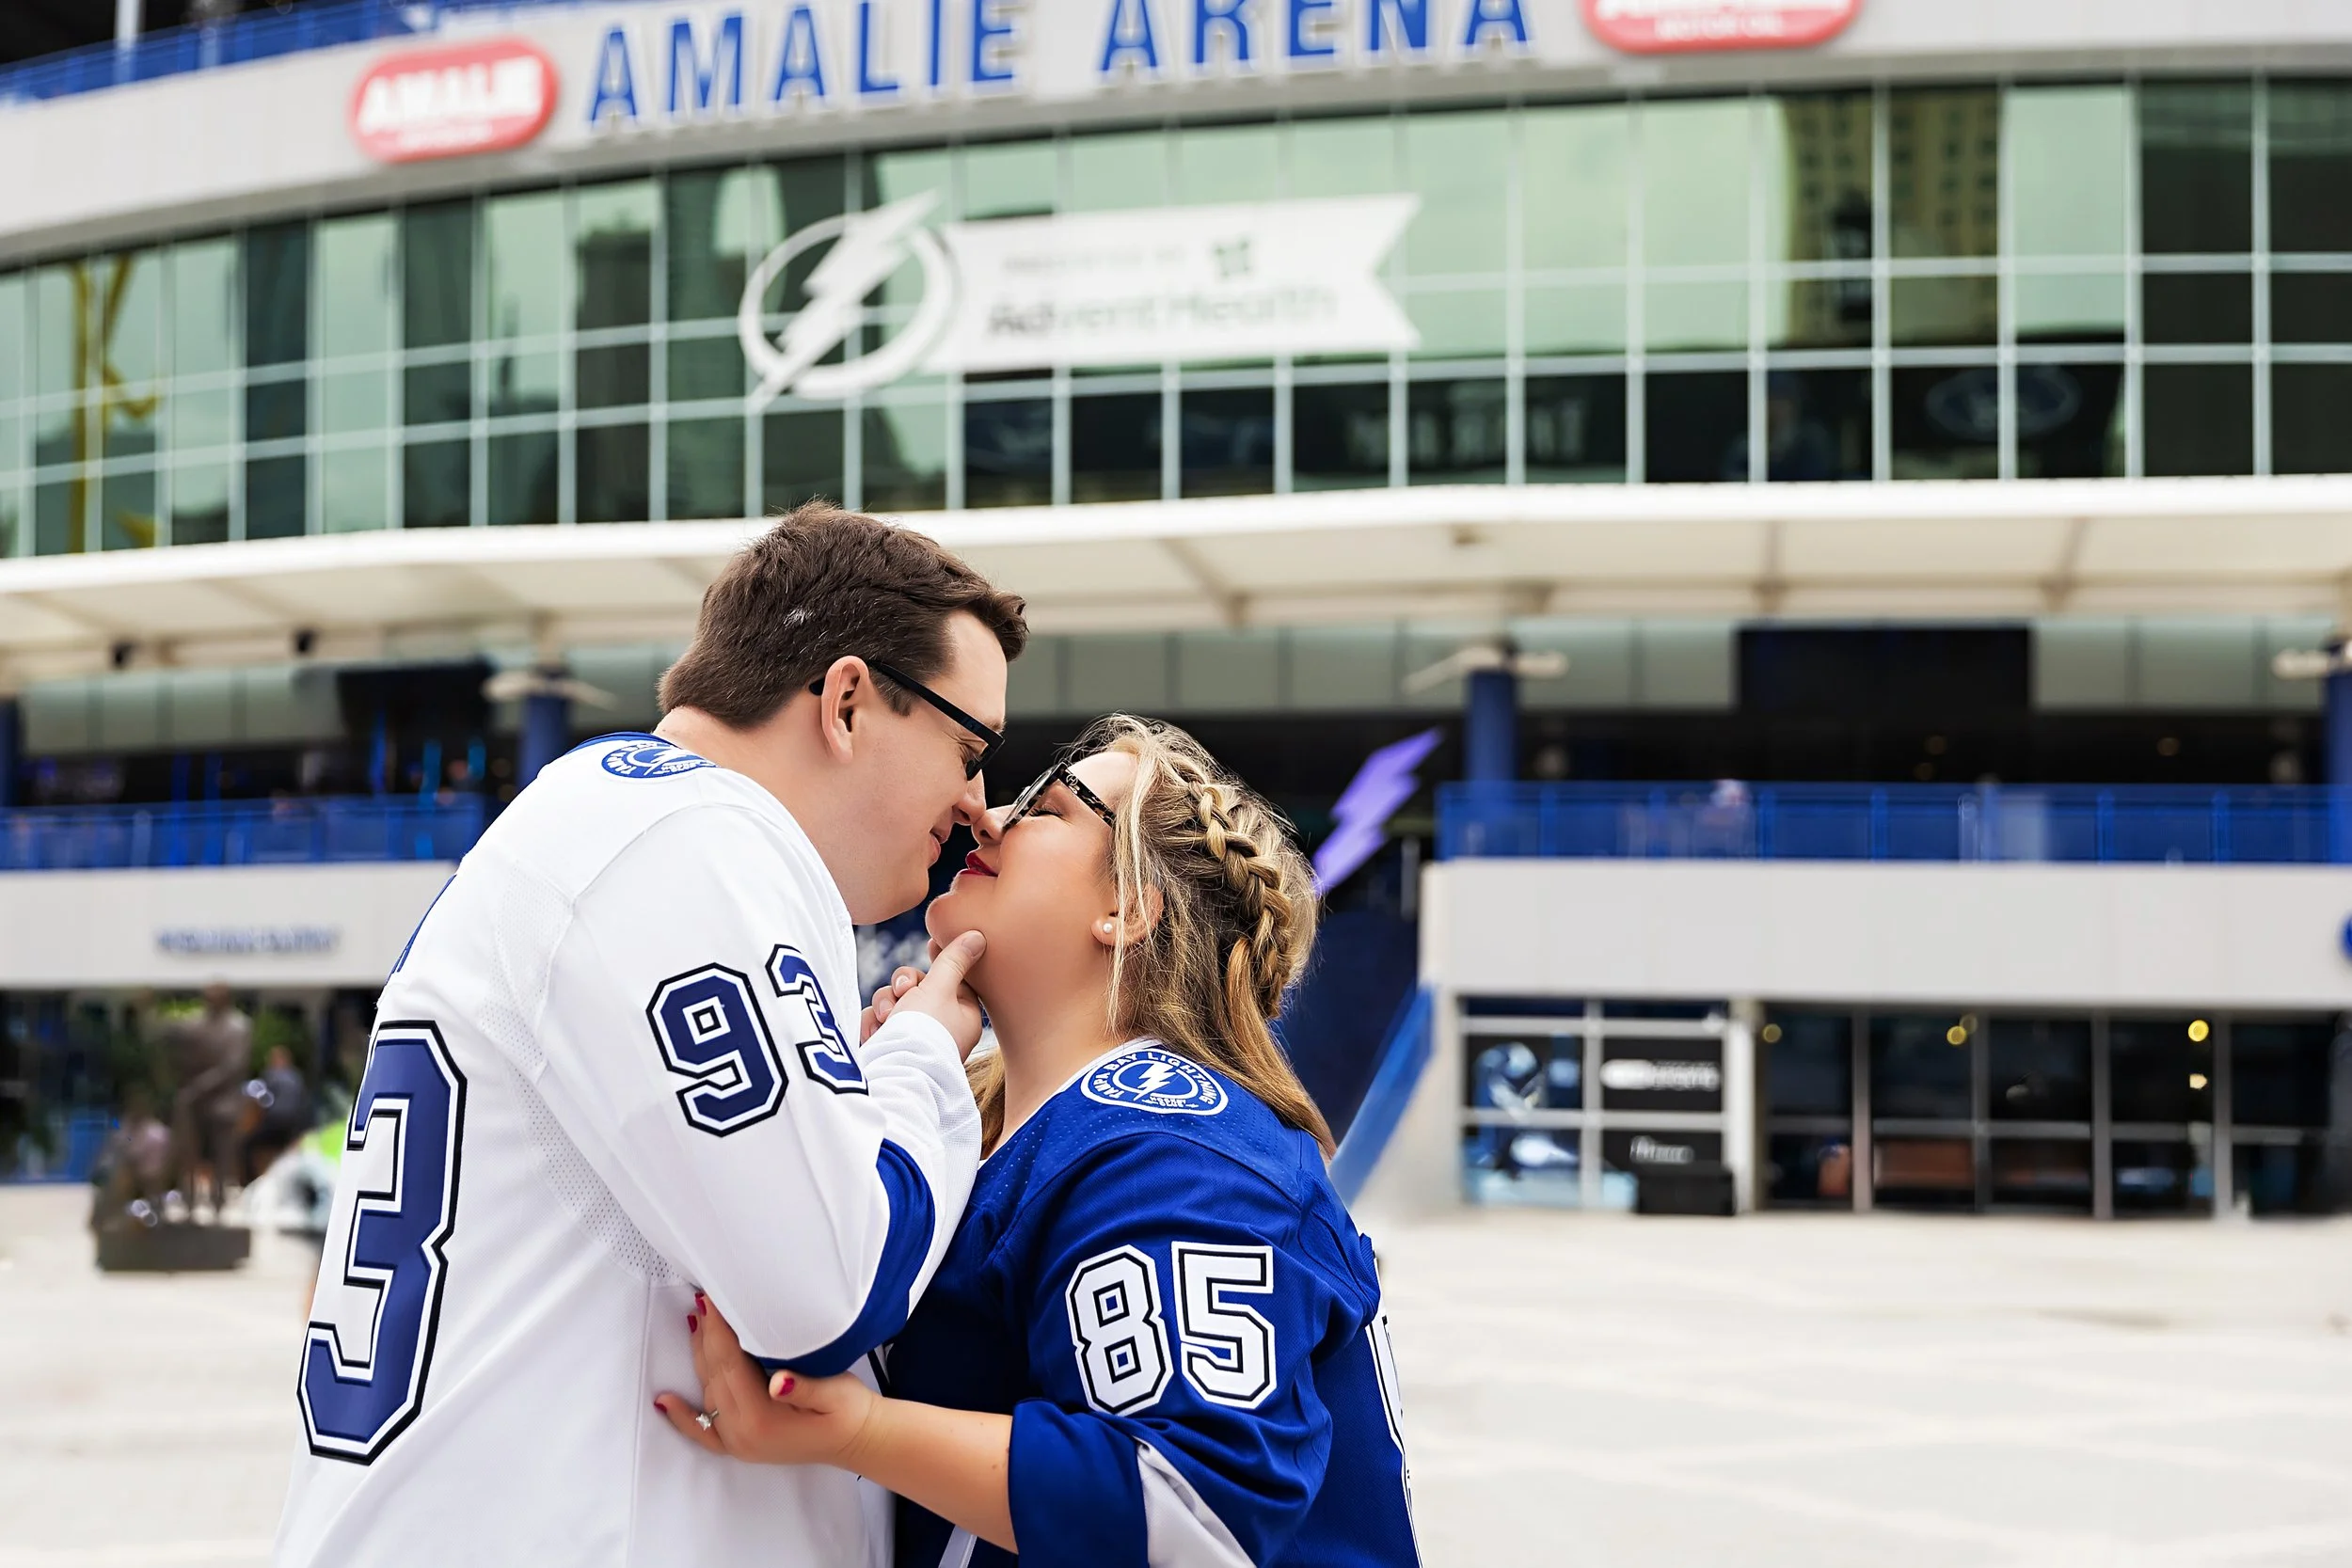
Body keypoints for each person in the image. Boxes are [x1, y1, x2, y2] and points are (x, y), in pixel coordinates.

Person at [275, 504, 1027, 1568]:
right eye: (971, 744)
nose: (979, 804)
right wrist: (920, 1058)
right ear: (849, 701)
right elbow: (827, 1292)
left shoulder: (622, 824)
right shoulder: (692, 838)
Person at [660, 717, 1422, 1568]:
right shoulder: (1009, 1125)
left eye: (1048, 808)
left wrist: (859, 1432)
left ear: (1127, 907)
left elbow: (1191, 1511)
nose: (989, 818)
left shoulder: (1168, 1149)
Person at [162, 981, 252, 1213]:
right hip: (196, 1104)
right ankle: (189, 1198)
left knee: (222, 1157)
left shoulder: (238, 1027)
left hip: (223, 1102)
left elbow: (234, 1067)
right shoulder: (197, 1023)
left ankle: (218, 1203)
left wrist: (198, 1088)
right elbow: (180, 1043)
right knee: (188, 1152)